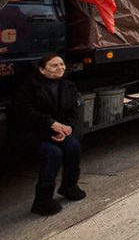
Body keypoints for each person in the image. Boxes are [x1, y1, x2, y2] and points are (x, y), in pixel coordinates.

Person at [12, 54, 86, 216]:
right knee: (54, 153)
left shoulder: (68, 86)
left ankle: (69, 186)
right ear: (42, 69)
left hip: (58, 131)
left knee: (73, 146)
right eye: (54, 65)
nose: (60, 68)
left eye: (61, 64)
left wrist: (67, 128)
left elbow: (73, 112)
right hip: (33, 132)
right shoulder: (29, 87)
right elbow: (24, 111)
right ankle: (42, 201)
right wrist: (50, 123)